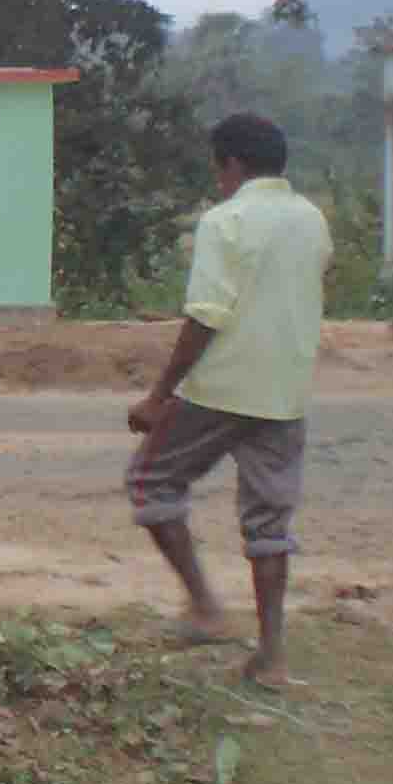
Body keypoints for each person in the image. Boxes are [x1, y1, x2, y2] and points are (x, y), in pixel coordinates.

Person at [124, 113, 331, 690]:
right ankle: (271, 656)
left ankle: (206, 608)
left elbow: (207, 315)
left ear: (233, 164)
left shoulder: (226, 220)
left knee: (150, 479)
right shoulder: (312, 219)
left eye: (219, 167)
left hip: (220, 389)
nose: (218, 178)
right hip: (284, 391)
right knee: (269, 522)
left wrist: (158, 395)